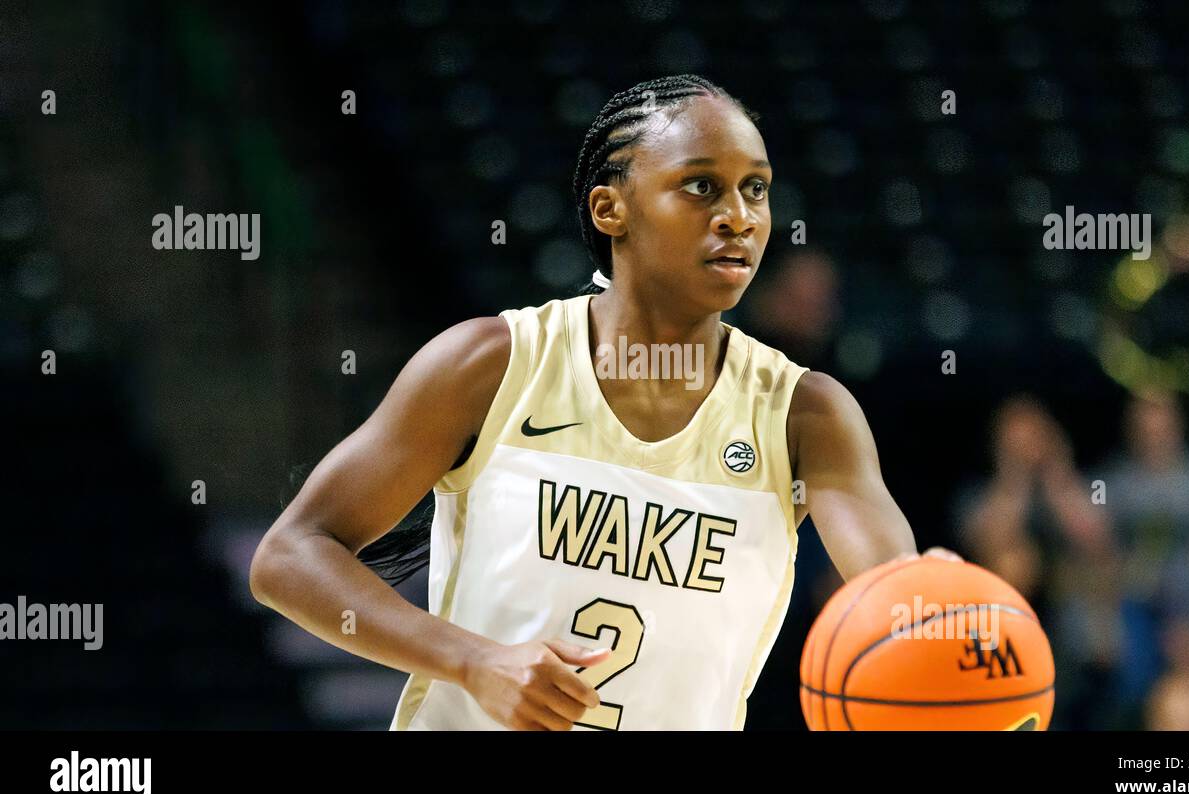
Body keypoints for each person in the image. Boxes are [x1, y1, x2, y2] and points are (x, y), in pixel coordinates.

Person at [249, 74, 951, 731]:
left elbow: (891, 591)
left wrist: (934, 609)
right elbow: (288, 556)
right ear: (610, 208)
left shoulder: (806, 415)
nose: (739, 216)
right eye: (702, 186)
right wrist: (472, 659)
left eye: (756, 190)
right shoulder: (492, 363)